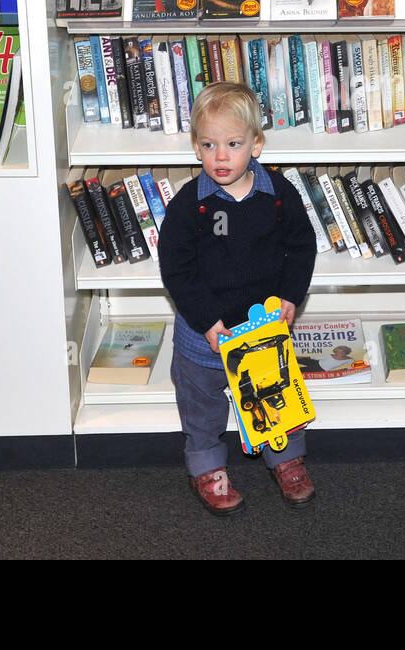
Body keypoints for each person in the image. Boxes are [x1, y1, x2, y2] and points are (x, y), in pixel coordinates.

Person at [157, 83, 319, 515]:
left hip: (263, 332)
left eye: (233, 144)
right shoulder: (187, 205)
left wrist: (290, 296)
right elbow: (177, 270)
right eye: (209, 145)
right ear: (195, 148)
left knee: (274, 397)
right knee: (202, 406)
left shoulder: (279, 194)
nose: (221, 157)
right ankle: (208, 466)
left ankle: (286, 460)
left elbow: (302, 247)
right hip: (204, 332)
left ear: (256, 144)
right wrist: (207, 320)